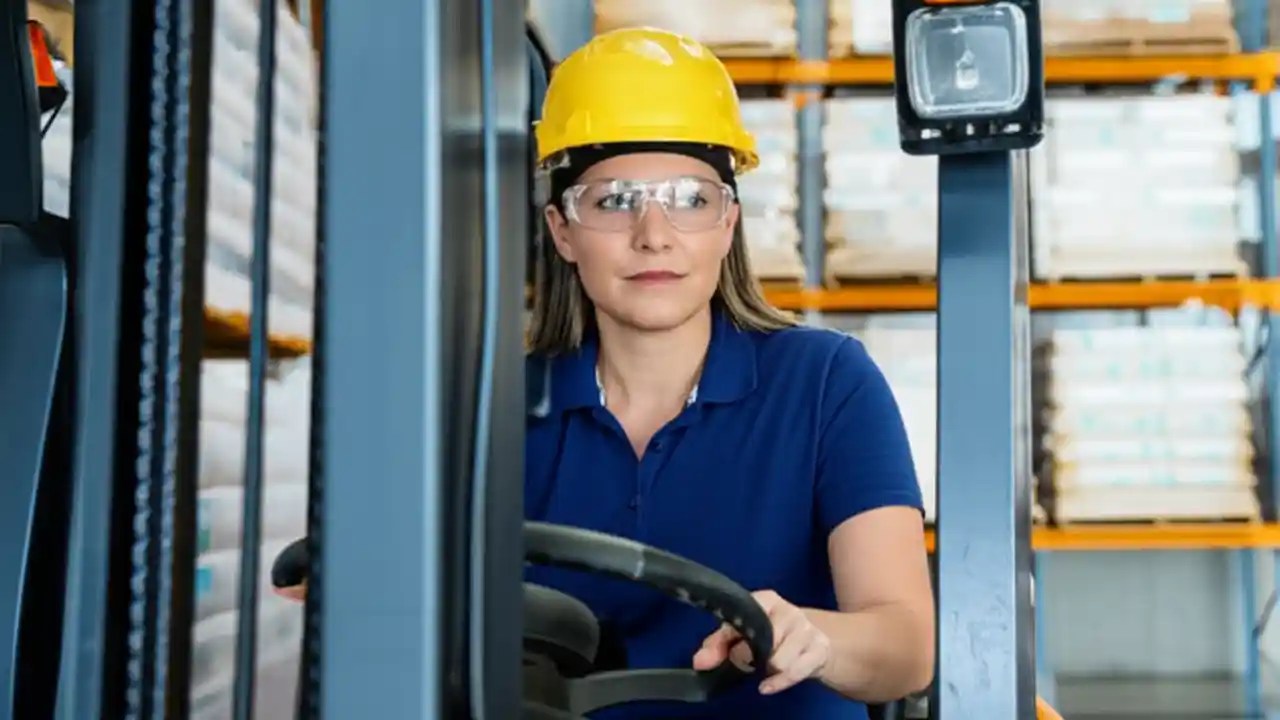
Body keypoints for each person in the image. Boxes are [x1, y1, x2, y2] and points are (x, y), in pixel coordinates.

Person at [523, 26, 934, 720]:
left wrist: (818, 637)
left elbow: (906, 644)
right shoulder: (500, 408)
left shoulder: (825, 384)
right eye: (613, 200)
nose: (654, 234)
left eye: (690, 198)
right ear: (563, 230)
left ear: (728, 222)